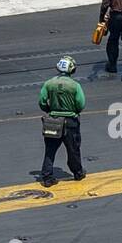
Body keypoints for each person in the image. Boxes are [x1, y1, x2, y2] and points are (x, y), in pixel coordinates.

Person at [38, 55, 86, 186]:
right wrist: (73, 111)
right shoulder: (75, 86)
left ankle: (47, 177)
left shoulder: (48, 83)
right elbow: (80, 104)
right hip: (70, 121)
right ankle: (78, 172)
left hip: (53, 120)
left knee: (50, 150)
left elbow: (41, 102)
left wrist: (50, 110)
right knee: (73, 149)